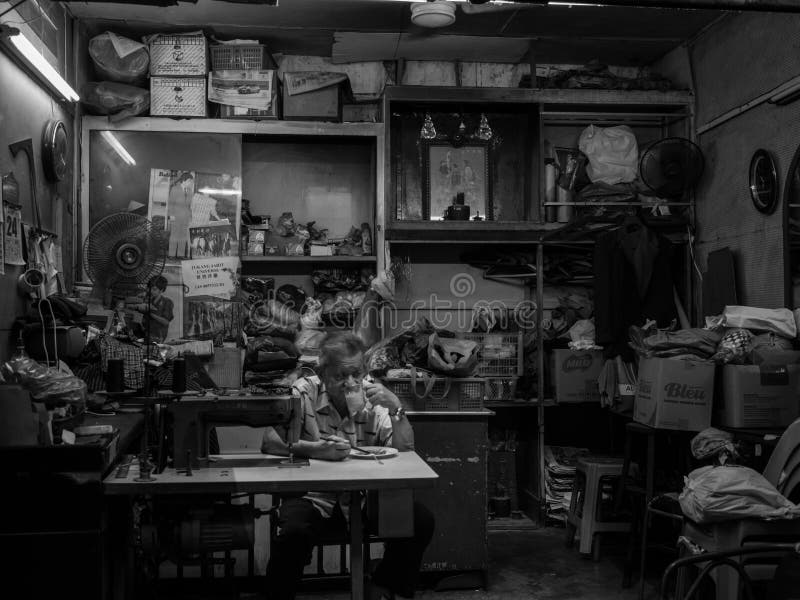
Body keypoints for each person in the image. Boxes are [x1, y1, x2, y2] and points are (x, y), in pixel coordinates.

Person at [261, 332, 435, 600]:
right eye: (341, 376)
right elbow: (269, 441)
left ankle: (384, 584)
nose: (351, 383)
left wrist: (397, 409)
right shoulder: (303, 391)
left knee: (420, 520)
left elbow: (405, 450)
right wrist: (317, 450)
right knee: (293, 533)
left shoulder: (373, 394)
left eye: (356, 373)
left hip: (366, 498)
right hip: (314, 496)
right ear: (322, 373)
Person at [133, 275, 174, 343]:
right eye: (150, 288)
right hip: (143, 334)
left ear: (161, 290)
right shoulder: (146, 300)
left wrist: (151, 314)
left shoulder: (167, 302)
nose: (151, 291)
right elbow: (137, 318)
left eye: (154, 289)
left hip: (158, 336)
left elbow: (166, 322)